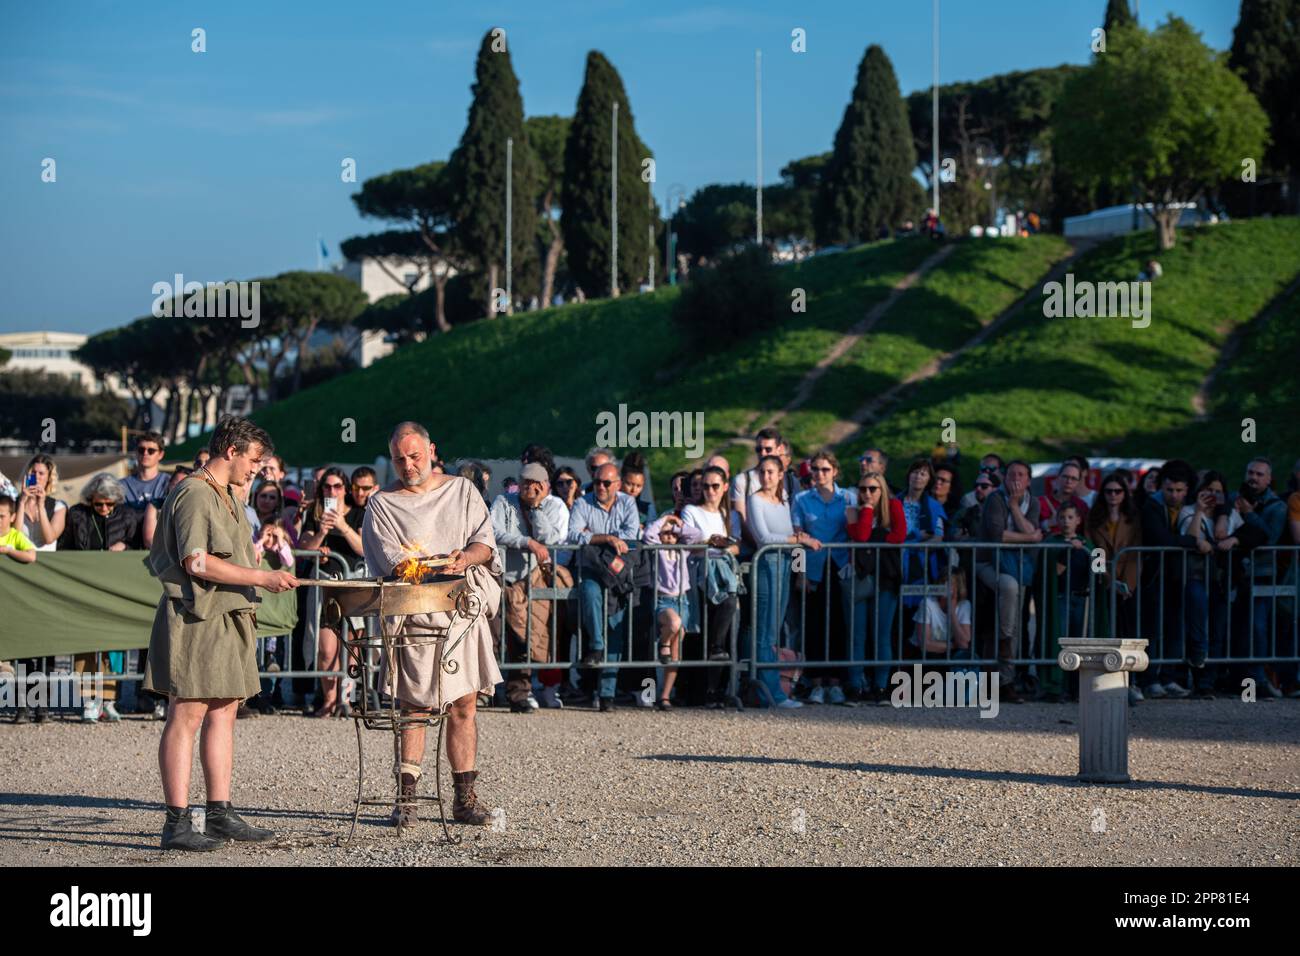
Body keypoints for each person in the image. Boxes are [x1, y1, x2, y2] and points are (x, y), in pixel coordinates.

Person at [142, 416, 299, 851]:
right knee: (186, 714)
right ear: (231, 451)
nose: (257, 470)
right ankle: (176, 823)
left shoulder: (224, 493)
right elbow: (197, 563)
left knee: (225, 710)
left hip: (226, 617)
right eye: (253, 460)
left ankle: (219, 812)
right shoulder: (194, 493)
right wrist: (261, 577)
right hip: (197, 617)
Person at [362, 421, 503, 827]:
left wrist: (465, 558)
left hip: (460, 608)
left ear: (432, 450)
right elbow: (390, 560)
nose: (407, 465)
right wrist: (416, 568)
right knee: (414, 707)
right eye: (399, 459)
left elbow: (484, 541)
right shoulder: (382, 504)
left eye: (415, 456)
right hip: (415, 611)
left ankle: (465, 799)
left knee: (464, 705)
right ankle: (406, 800)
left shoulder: (461, 491)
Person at [490, 462, 572, 713]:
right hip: (500, 577)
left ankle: (519, 694)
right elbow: (493, 533)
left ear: (544, 486)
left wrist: (535, 508)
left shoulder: (549, 506)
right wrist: (526, 542)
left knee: (523, 637)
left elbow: (549, 540)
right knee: (493, 636)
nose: (529, 488)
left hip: (529, 580)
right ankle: (486, 691)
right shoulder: (504, 502)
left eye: (534, 484)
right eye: (525, 483)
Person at [567, 461, 640, 710]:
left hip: (618, 572)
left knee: (616, 627)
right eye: (597, 481)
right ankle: (596, 645)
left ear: (617, 484)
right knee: (589, 593)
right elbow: (573, 534)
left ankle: (607, 694)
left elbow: (632, 537)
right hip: (592, 570)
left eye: (606, 483)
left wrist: (593, 538)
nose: (600, 487)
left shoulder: (628, 503)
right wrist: (608, 538)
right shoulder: (582, 502)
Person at [298, 467, 366, 717]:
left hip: (354, 586)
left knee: (351, 648)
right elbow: (304, 546)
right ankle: (328, 700)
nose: (332, 491)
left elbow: (362, 548)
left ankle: (345, 700)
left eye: (337, 486)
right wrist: (323, 533)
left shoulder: (358, 514)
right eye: (327, 486)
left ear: (345, 489)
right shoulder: (315, 514)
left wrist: (342, 526)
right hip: (326, 585)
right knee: (326, 648)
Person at [746, 454, 809, 708]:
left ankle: (773, 691)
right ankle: (771, 693)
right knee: (764, 632)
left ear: (781, 474)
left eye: (771, 472)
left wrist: (800, 569)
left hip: (784, 565)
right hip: (766, 565)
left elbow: (787, 536)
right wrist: (798, 540)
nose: (766, 476)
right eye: (762, 472)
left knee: (773, 631)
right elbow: (764, 537)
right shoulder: (755, 499)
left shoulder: (783, 501)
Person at [792, 450, 854, 704]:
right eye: (815, 469)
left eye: (825, 469)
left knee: (839, 625)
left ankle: (837, 682)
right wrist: (800, 572)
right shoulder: (802, 499)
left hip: (839, 567)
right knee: (814, 626)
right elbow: (797, 536)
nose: (819, 474)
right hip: (813, 568)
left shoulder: (848, 498)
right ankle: (816, 682)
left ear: (835, 471)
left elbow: (854, 532)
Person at [1228, 457, 1292, 698]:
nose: (1253, 478)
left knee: (1258, 626)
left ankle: (1259, 678)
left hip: (1264, 574)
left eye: (1259, 474)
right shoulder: (1238, 497)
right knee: (1239, 626)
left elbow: (1269, 539)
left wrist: (1249, 514)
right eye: (1250, 472)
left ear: (1269, 479)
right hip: (1237, 573)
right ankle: (1238, 678)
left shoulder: (1277, 507)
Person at [1136, 458, 1200, 700]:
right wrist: (1192, 542)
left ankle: (1170, 677)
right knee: (1152, 628)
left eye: (1179, 490)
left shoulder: (1190, 507)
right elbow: (1160, 539)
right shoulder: (1151, 506)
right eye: (1169, 490)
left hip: (1177, 574)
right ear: (1162, 487)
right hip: (1154, 574)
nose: (1174, 495)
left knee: (1174, 626)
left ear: (1187, 490)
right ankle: (1149, 678)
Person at [976, 460, 1040, 703]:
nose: (1015, 478)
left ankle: (1006, 680)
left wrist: (1014, 507)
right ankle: (1004, 642)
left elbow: (1031, 529)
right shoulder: (995, 499)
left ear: (1028, 480)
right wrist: (1028, 537)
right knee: (1009, 590)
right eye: (1011, 474)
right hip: (988, 563)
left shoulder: (1031, 501)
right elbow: (997, 535)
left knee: (1013, 617)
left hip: (1018, 566)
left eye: (1021, 474)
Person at [681, 464, 743, 707]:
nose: (710, 491)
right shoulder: (690, 511)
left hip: (724, 575)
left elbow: (737, 546)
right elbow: (688, 543)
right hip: (699, 576)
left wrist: (721, 546)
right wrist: (712, 543)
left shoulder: (729, 516)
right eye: (705, 486)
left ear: (725, 487)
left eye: (715, 486)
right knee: (698, 633)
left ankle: (716, 688)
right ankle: (696, 691)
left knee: (725, 626)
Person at [846, 470, 906, 700]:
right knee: (857, 635)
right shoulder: (854, 511)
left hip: (886, 579)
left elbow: (899, 536)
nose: (867, 493)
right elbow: (861, 536)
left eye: (873, 489)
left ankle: (881, 685)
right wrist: (868, 511)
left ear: (882, 489)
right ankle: (855, 684)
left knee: (882, 634)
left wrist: (874, 533)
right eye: (863, 489)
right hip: (861, 578)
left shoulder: (894, 507)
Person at [643, 512, 703, 709]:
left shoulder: (682, 550)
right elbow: (648, 535)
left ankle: (665, 695)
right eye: (666, 534)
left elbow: (696, 535)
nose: (669, 537)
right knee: (674, 624)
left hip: (682, 601)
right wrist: (664, 521)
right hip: (662, 601)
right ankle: (664, 643)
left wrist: (677, 525)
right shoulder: (657, 549)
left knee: (676, 653)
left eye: (673, 535)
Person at [1085, 472, 1141, 650]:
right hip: (1103, 579)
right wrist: (1109, 581)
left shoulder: (1134, 518)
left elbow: (1136, 553)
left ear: (1124, 493)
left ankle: (1130, 674)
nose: (1113, 495)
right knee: (1105, 627)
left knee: (1128, 630)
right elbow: (1094, 550)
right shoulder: (1093, 518)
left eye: (1118, 491)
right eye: (1109, 491)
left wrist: (1127, 585)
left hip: (1129, 580)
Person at [16, 454, 67, 551]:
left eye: (41, 473)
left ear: (49, 478)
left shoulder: (59, 507)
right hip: (21, 558)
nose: (37, 477)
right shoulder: (15, 502)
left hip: (46, 560)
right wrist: (22, 502)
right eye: (33, 472)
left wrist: (41, 506)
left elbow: (49, 539)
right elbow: (15, 536)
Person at [120, 431, 171, 512]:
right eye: (141, 450)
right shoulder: (121, 486)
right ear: (136, 452)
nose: (145, 453)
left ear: (161, 454)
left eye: (151, 451)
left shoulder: (170, 483)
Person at [1039, 459, 1091, 534]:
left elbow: (1086, 534)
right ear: (1058, 477)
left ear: (1078, 482)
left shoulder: (1082, 506)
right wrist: (1048, 523)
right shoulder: (1040, 502)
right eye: (1065, 477)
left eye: (1073, 478)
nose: (1069, 481)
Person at [620, 452, 657, 526]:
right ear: (621, 480)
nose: (633, 490)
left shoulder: (647, 509)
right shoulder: (609, 505)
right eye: (629, 484)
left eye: (638, 486)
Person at [0, 496, 37, 565]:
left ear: (12, 517)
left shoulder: (16, 536)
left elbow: (31, 557)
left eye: (2, 516)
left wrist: (8, 551)